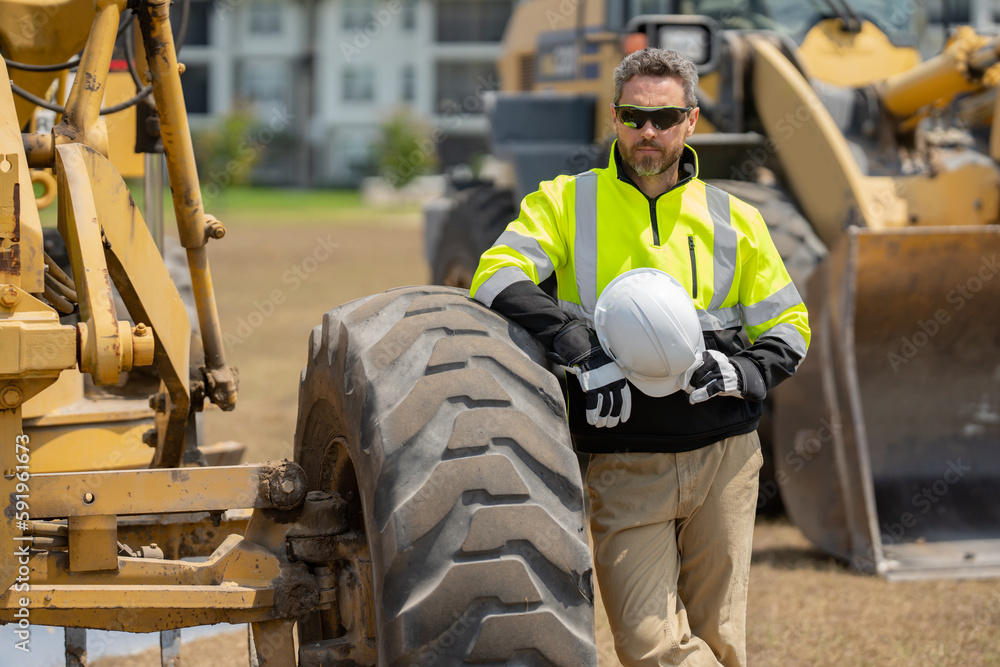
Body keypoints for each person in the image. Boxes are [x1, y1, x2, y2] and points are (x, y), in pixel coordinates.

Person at [470, 47, 810, 667]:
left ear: (692, 120)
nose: (647, 132)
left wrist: (745, 371)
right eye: (633, 117)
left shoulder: (736, 218)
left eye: (664, 117)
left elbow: (788, 323)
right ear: (614, 118)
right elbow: (494, 276)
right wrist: (575, 344)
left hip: (726, 459)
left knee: (722, 642)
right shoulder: (565, 202)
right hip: (626, 464)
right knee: (649, 646)